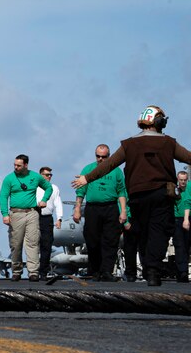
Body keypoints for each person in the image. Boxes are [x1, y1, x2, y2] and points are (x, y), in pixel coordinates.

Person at [73, 106, 191, 286]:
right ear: (159, 122)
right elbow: (188, 157)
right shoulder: (169, 143)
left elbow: (109, 164)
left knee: (143, 233)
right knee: (159, 233)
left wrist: (87, 178)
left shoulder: (128, 144)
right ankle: (152, 271)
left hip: (137, 196)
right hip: (161, 194)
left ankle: (147, 267)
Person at [72, 144, 127, 282]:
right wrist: (77, 209)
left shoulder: (116, 171)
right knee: (92, 240)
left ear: (109, 156)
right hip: (92, 208)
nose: (101, 159)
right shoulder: (88, 169)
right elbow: (80, 191)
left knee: (110, 241)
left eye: (104, 156)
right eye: (98, 156)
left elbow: (121, 192)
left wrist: (123, 211)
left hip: (110, 208)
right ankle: (94, 271)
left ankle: (107, 271)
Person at [0, 154, 52, 281]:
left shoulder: (35, 176)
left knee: (33, 242)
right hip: (16, 213)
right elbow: (3, 197)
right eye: (14, 165)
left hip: (32, 212)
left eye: (19, 165)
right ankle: (16, 270)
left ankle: (33, 272)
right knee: (16, 244)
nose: (16, 167)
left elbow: (48, 187)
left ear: (26, 165)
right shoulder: (9, 179)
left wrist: (44, 199)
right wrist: (5, 214)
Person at [36, 167, 64, 278]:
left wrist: (59, 218)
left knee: (46, 245)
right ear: (41, 175)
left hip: (47, 218)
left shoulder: (54, 188)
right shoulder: (34, 187)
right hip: (34, 216)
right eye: (47, 175)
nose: (49, 176)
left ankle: (43, 271)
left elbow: (58, 203)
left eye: (50, 174)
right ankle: (33, 270)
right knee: (33, 244)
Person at [173, 171, 191, 283]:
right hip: (177, 219)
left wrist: (186, 219)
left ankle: (183, 270)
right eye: (181, 180)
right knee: (179, 245)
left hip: (187, 217)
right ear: (177, 179)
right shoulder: (174, 188)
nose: (183, 182)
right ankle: (182, 271)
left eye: (185, 180)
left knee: (187, 244)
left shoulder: (189, 188)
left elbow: (187, 202)